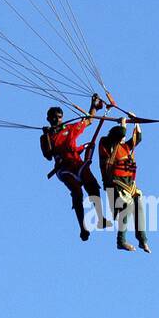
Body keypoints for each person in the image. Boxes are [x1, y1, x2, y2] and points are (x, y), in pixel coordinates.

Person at [40, 95, 110, 241]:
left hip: (77, 164)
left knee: (91, 184)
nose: (57, 120)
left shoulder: (71, 129)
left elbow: (89, 120)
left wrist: (93, 106)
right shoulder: (46, 137)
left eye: (59, 117)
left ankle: (100, 217)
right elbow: (47, 155)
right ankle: (83, 228)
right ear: (49, 119)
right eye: (54, 118)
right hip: (64, 168)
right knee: (77, 193)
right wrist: (47, 135)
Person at [99, 119, 150, 253]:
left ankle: (142, 240)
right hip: (116, 183)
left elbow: (138, 138)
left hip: (130, 184)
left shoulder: (126, 147)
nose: (123, 138)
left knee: (138, 205)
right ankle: (120, 241)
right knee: (127, 207)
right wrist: (123, 124)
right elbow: (120, 132)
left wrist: (136, 122)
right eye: (121, 137)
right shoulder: (107, 145)